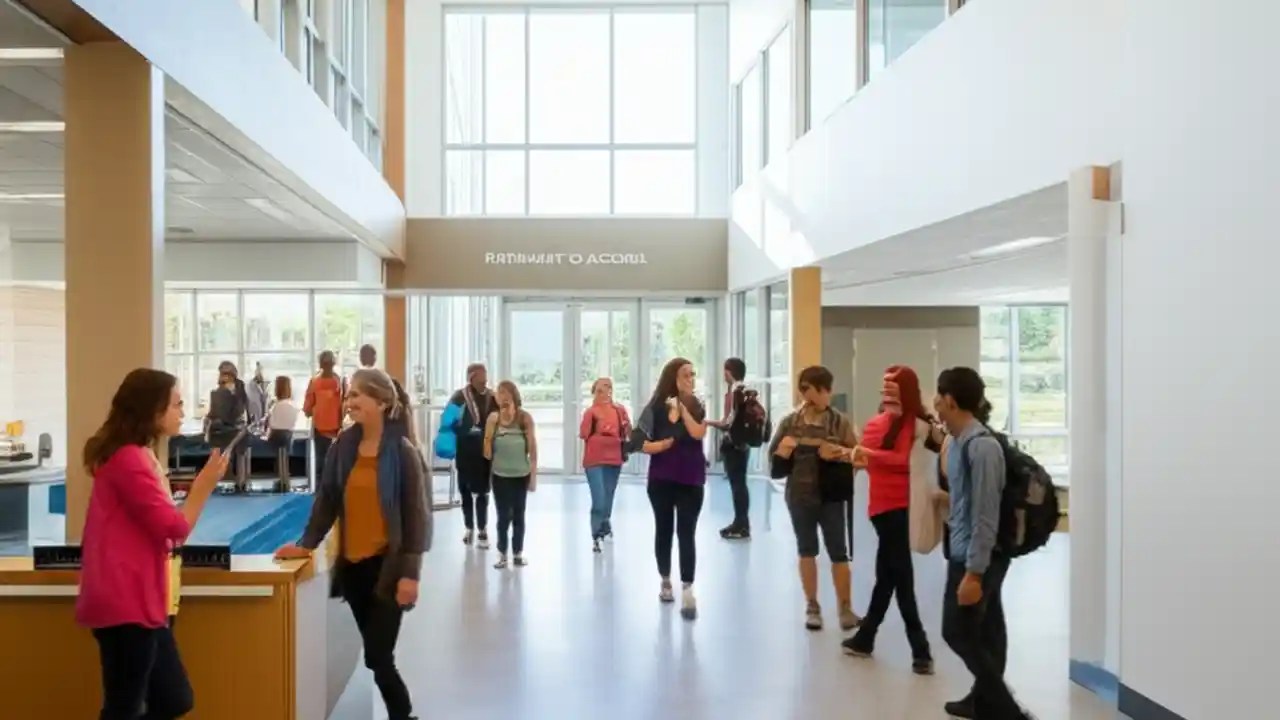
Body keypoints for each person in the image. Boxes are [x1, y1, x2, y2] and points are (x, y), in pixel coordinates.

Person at [276, 368, 430, 720]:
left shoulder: (402, 453)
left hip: (387, 570)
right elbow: (328, 499)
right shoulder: (343, 446)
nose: (350, 402)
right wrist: (306, 544)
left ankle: (404, 716)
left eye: (358, 395)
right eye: (350, 395)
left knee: (377, 656)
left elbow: (416, 520)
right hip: (354, 569)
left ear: (382, 402)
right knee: (378, 659)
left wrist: (410, 575)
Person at [76, 368, 229, 720]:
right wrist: (203, 486)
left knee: (171, 699)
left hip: (140, 600)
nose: (181, 412)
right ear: (153, 410)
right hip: (125, 600)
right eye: (176, 405)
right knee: (125, 706)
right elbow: (174, 527)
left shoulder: (134, 455)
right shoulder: (129, 459)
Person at [934, 367, 1030, 720]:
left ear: (950, 400)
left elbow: (986, 514)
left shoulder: (983, 447)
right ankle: (983, 701)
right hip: (965, 549)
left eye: (938, 397)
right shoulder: (958, 442)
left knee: (956, 631)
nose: (935, 404)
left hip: (980, 555)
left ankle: (1007, 710)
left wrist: (974, 572)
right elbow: (964, 503)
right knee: (988, 630)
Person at [841, 365, 938, 674]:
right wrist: (865, 455)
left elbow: (905, 463)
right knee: (892, 577)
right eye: (884, 386)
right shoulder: (876, 424)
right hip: (881, 510)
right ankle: (880, 640)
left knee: (895, 578)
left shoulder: (918, 425)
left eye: (893, 386)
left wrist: (868, 454)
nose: (886, 391)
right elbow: (883, 461)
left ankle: (911, 647)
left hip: (903, 508)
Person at [768, 365, 860, 632]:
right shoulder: (789, 422)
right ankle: (812, 605)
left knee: (838, 552)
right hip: (799, 496)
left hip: (831, 496)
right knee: (806, 549)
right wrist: (783, 452)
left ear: (826, 391)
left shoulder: (839, 422)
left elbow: (857, 455)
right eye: (804, 389)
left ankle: (845, 607)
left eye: (814, 390)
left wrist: (838, 453)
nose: (808, 395)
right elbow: (773, 463)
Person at [634, 357, 707, 620]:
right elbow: (638, 442)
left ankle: (688, 589)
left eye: (693, 374)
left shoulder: (698, 405)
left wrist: (682, 410)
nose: (691, 379)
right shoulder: (654, 407)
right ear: (673, 379)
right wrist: (662, 445)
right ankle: (665, 579)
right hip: (662, 479)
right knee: (664, 529)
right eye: (685, 375)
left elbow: (698, 433)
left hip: (691, 478)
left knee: (686, 532)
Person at [437, 363, 498, 548]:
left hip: (484, 451)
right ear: (471, 377)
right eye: (481, 377)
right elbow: (447, 421)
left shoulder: (492, 396)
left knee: (482, 491)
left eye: (486, 377)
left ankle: (482, 528)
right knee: (464, 490)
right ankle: (469, 527)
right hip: (464, 449)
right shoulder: (459, 397)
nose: (484, 381)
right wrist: (462, 428)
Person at [483, 380, 537, 569]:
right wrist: (488, 438)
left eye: (506, 393)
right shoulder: (493, 419)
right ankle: (502, 553)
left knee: (519, 515)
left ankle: (518, 553)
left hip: (520, 474)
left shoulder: (525, 418)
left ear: (513, 395)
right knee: (503, 515)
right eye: (499, 393)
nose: (503, 397)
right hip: (500, 474)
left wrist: (533, 476)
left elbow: (533, 450)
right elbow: (487, 452)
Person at [579, 377, 631, 553]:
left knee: (608, 496)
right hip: (594, 460)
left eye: (609, 387)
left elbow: (627, 431)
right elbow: (584, 433)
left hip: (614, 458)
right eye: (601, 389)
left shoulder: (619, 410)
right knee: (599, 498)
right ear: (594, 392)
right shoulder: (590, 412)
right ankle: (596, 533)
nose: (605, 392)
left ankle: (605, 525)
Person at [710, 357, 751, 540]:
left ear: (728, 371)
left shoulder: (735, 392)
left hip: (734, 445)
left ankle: (741, 524)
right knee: (740, 483)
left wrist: (707, 422)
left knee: (738, 485)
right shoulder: (744, 390)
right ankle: (741, 522)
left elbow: (728, 422)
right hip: (743, 444)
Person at [304, 351, 347, 488]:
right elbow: (345, 405)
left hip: (324, 428)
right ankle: (331, 488)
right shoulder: (339, 382)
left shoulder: (315, 382)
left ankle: (321, 489)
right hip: (333, 428)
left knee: (322, 461)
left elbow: (308, 408)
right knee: (333, 460)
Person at [207, 364, 249, 492]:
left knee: (239, 437)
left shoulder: (236, 392)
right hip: (226, 429)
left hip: (225, 429)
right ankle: (239, 479)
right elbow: (216, 413)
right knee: (241, 436)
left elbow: (238, 411)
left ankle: (237, 479)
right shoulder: (220, 393)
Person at [267, 376, 301, 490]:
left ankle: (280, 480)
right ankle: (286, 480)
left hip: (276, 435)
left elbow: (272, 423)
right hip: (288, 434)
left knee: (279, 457)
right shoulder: (293, 405)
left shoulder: (275, 406)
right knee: (285, 457)